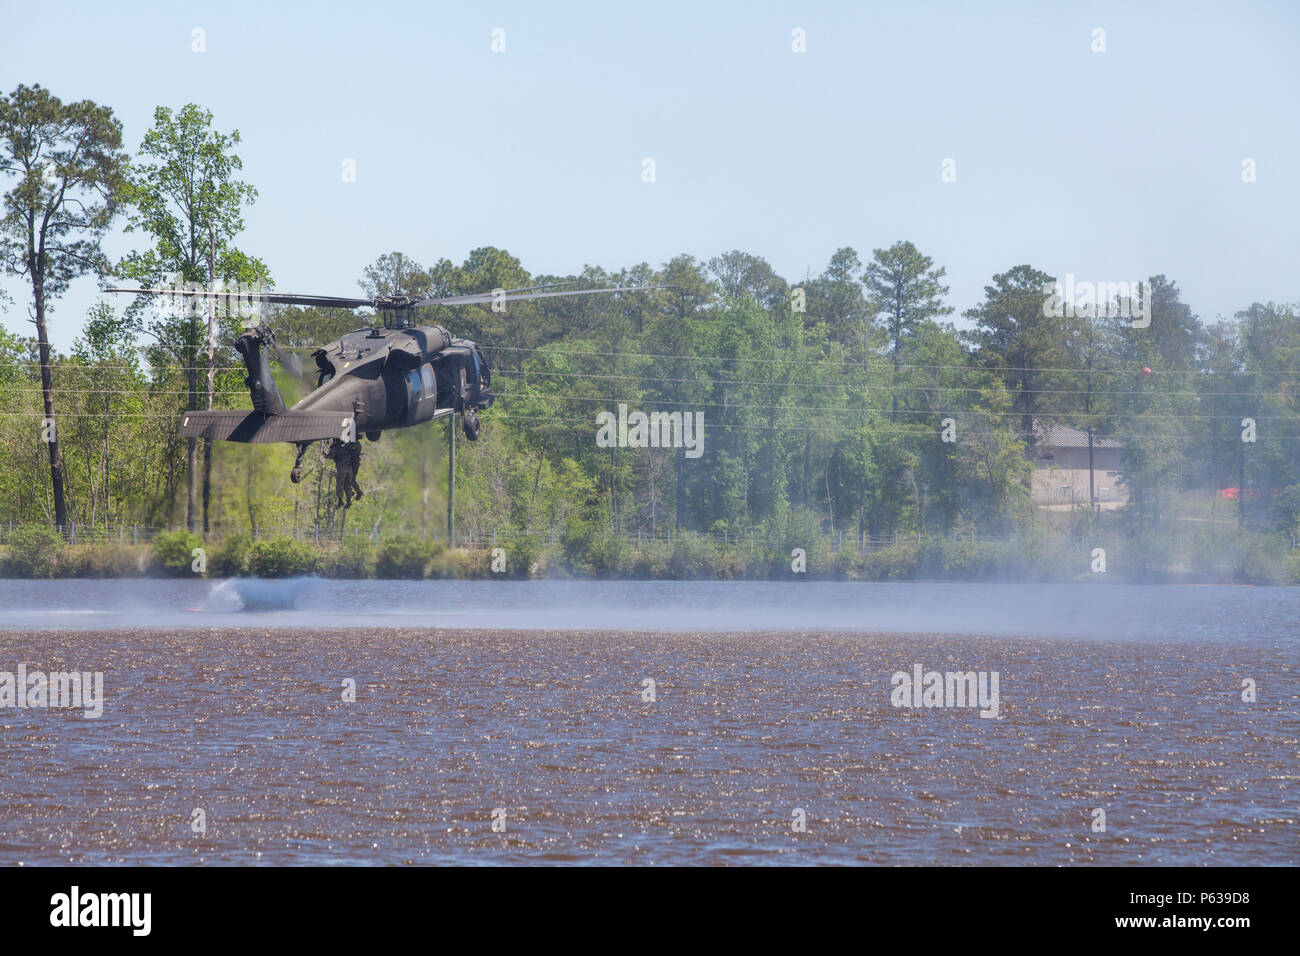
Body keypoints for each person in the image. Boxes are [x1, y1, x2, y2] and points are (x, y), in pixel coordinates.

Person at [326, 438, 358, 508]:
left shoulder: (335, 448)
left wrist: (324, 454)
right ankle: (348, 501)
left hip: (342, 469)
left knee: (340, 484)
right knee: (347, 485)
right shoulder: (345, 449)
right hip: (349, 469)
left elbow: (330, 456)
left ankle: (340, 501)